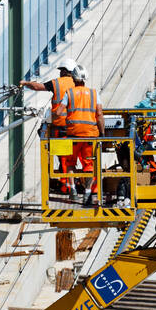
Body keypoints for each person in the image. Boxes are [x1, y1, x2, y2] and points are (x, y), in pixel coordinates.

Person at [20, 61, 78, 196]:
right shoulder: (78, 83)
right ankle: (77, 186)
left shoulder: (57, 83)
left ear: (65, 71)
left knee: (64, 158)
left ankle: (67, 187)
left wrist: (25, 83)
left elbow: (37, 86)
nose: (60, 72)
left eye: (61, 70)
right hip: (77, 128)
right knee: (74, 158)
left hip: (62, 127)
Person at [62, 65, 105, 206]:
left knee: (70, 163)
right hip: (90, 136)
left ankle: (73, 191)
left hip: (73, 134)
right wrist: (102, 133)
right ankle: (87, 193)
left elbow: (58, 112)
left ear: (73, 78)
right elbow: (99, 114)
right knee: (89, 165)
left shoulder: (69, 93)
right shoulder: (94, 94)